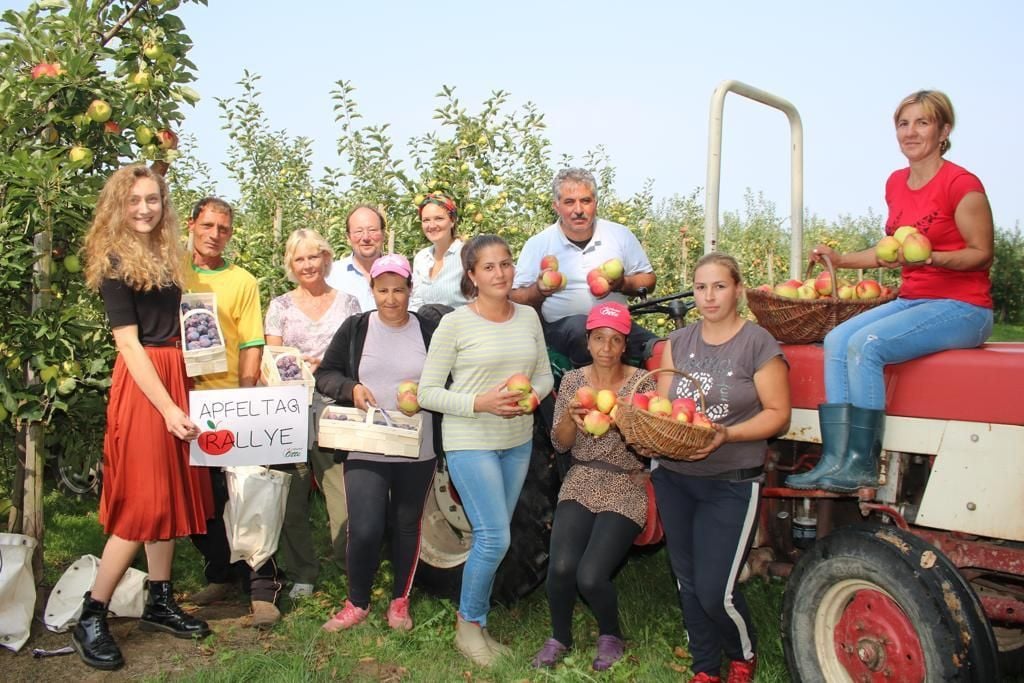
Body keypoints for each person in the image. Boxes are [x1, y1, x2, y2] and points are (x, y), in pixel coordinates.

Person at [785, 90, 994, 494]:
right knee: (837, 339)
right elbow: (890, 252)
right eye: (903, 123)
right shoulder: (897, 183)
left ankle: (863, 463)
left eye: (922, 122)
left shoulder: (961, 185)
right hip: (915, 299)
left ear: (944, 131)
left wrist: (932, 258)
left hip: (964, 307)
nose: (911, 132)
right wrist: (840, 259)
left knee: (868, 344)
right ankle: (835, 457)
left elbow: (981, 253)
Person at [75, 165, 213, 670]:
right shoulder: (114, 260)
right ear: (118, 204)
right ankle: (92, 614)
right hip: (146, 386)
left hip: (174, 374)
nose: (144, 208)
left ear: (164, 204)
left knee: (169, 496)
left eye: (152, 199)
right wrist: (169, 407)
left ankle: (159, 600)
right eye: (134, 200)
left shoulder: (166, 255)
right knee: (142, 504)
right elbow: (129, 346)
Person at [652, 253, 790, 683]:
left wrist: (727, 434)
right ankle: (705, 667)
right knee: (688, 583)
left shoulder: (757, 343)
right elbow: (661, 408)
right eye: (700, 287)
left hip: (731, 481)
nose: (709, 296)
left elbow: (778, 415)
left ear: (738, 290)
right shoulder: (678, 342)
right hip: (674, 478)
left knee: (716, 590)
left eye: (719, 286)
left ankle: (741, 653)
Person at [418, 234, 554, 667]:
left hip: (516, 442)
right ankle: (468, 626)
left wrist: (533, 397)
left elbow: (544, 375)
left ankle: (477, 621)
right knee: (495, 537)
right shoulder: (456, 324)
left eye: (506, 263)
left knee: (492, 535)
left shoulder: (528, 317)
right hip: (470, 440)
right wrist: (480, 402)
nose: (500, 273)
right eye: (489, 267)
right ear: (472, 276)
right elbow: (427, 392)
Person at [315, 254, 442, 632]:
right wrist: (351, 388)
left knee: (406, 524)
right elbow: (325, 374)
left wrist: (427, 394)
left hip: (416, 444)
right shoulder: (356, 328)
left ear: (410, 290)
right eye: (383, 290)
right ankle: (357, 601)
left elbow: (450, 377)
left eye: (398, 290)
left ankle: (400, 600)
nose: (390, 298)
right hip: (366, 442)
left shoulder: (429, 330)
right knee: (366, 526)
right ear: (372, 290)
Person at [531, 302, 655, 672]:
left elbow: (649, 445)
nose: (606, 347)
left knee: (590, 575)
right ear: (588, 341)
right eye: (599, 338)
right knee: (561, 567)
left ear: (625, 345)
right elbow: (561, 444)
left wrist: (623, 420)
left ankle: (611, 634)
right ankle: (560, 637)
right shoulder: (573, 382)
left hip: (626, 482)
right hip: (582, 478)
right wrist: (571, 418)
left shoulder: (642, 383)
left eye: (615, 340)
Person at [183, 197, 278, 628]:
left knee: (249, 495)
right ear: (192, 225)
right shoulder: (173, 274)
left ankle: (261, 589)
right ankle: (220, 572)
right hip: (183, 402)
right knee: (199, 500)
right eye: (208, 225)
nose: (214, 234)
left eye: (223, 228)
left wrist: (245, 399)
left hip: (226, 401)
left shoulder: (242, 281)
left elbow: (251, 342)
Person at [264, 228, 361, 598]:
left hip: (334, 409)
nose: (307, 265)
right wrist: (292, 365)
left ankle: (350, 565)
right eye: (299, 258)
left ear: (326, 258)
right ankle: (302, 571)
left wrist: (329, 366)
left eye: (313, 256)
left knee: (342, 493)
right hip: (290, 409)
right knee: (292, 492)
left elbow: (358, 356)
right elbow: (272, 360)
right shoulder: (280, 307)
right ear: (291, 264)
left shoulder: (348, 303)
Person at [511, 168, 657, 366]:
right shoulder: (539, 243)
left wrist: (622, 283)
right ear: (556, 206)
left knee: (660, 349)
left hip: (615, 323)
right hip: (563, 329)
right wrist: (539, 290)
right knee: (583, 328)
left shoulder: (619, 235)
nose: (578, 209)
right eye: (569, 202)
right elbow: (515, 296)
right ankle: (587, 384)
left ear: (595, 203)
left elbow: (648, 280)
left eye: (585, 201)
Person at [409, 192, 468, 314]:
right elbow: (416, 302)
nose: (432, 225)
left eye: (439, 218)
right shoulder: (421, 258)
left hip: (463, 324)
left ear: (452, 221)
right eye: (426, 220)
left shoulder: (467, 255)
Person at [325, 204, 386, 313]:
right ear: (348, 238)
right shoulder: (331, 275)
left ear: (383, 234)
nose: (366, 237)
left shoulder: (401, 273)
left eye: (372, 230)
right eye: (358, 231)